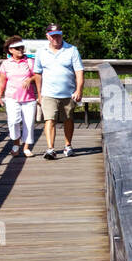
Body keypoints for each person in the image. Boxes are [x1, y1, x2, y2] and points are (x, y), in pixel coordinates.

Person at [33, 24, 84, 159]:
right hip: (48, 93)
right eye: (53, 35)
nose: (56, 38)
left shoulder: (72, 50)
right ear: (47, 36)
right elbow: (37, 74)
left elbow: (79, 71)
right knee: (49, 119)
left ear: (62, 34)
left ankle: (68, 146)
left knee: (68, 119)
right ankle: (50, 149)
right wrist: (39, 94)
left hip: (68, 93)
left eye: (58, 35)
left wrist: (79, 90)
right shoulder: (41, 52)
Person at [0, 36, 39, 157]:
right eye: (17, 48)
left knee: (28, 124)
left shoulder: (29, 62)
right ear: (10, 50)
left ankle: (26, 147)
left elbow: (38, 76)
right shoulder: (6, 64)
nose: (20, 50)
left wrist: (30, 79)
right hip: (12, 98)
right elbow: (1, 81)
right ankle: (15, 144)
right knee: (13, 121)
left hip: (29, 99)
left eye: (22, 47)